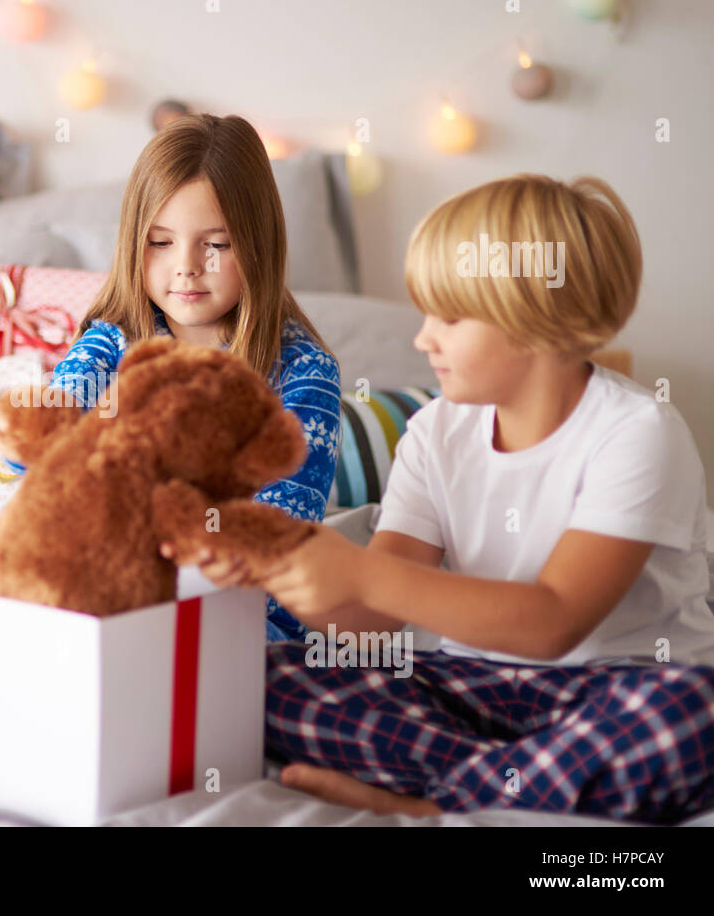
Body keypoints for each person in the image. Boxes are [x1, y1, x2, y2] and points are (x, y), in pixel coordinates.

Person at [168, 173, 714, 823]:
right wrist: (280, 571)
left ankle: (434, 802)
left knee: (695, 713)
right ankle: (508, 783)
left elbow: (553, 620)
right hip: (472, 688)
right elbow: (373, 616)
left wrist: (361, 569)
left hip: (616, 689)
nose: (424, 339)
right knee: (265, 679)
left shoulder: (637, 432)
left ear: (539, 319)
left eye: (449, 317)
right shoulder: (434, 433)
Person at [0, 113, 342, 642]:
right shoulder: (113, 341)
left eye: (216, 245)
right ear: (134, 243)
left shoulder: (306, 371)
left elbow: (280, 533)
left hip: (245, 616)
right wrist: (23, 431)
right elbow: (45, 437)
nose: (187, 267)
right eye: (161, 242)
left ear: (259, 244)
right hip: (111, 591)